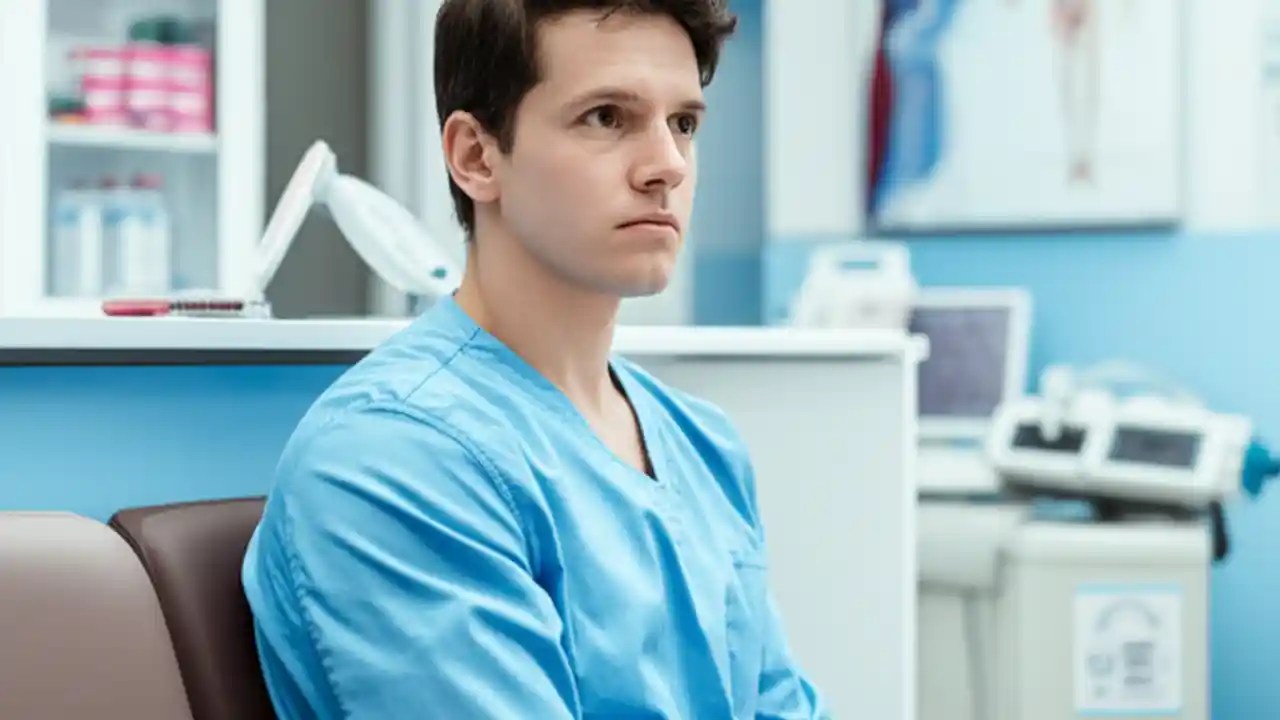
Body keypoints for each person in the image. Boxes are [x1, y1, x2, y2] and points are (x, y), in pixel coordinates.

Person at [240, 1, 829, 718]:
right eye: (607, 117)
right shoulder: (390, 458)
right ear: (476, 156)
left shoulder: (705, 446)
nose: (667, 167)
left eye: (683, 123)